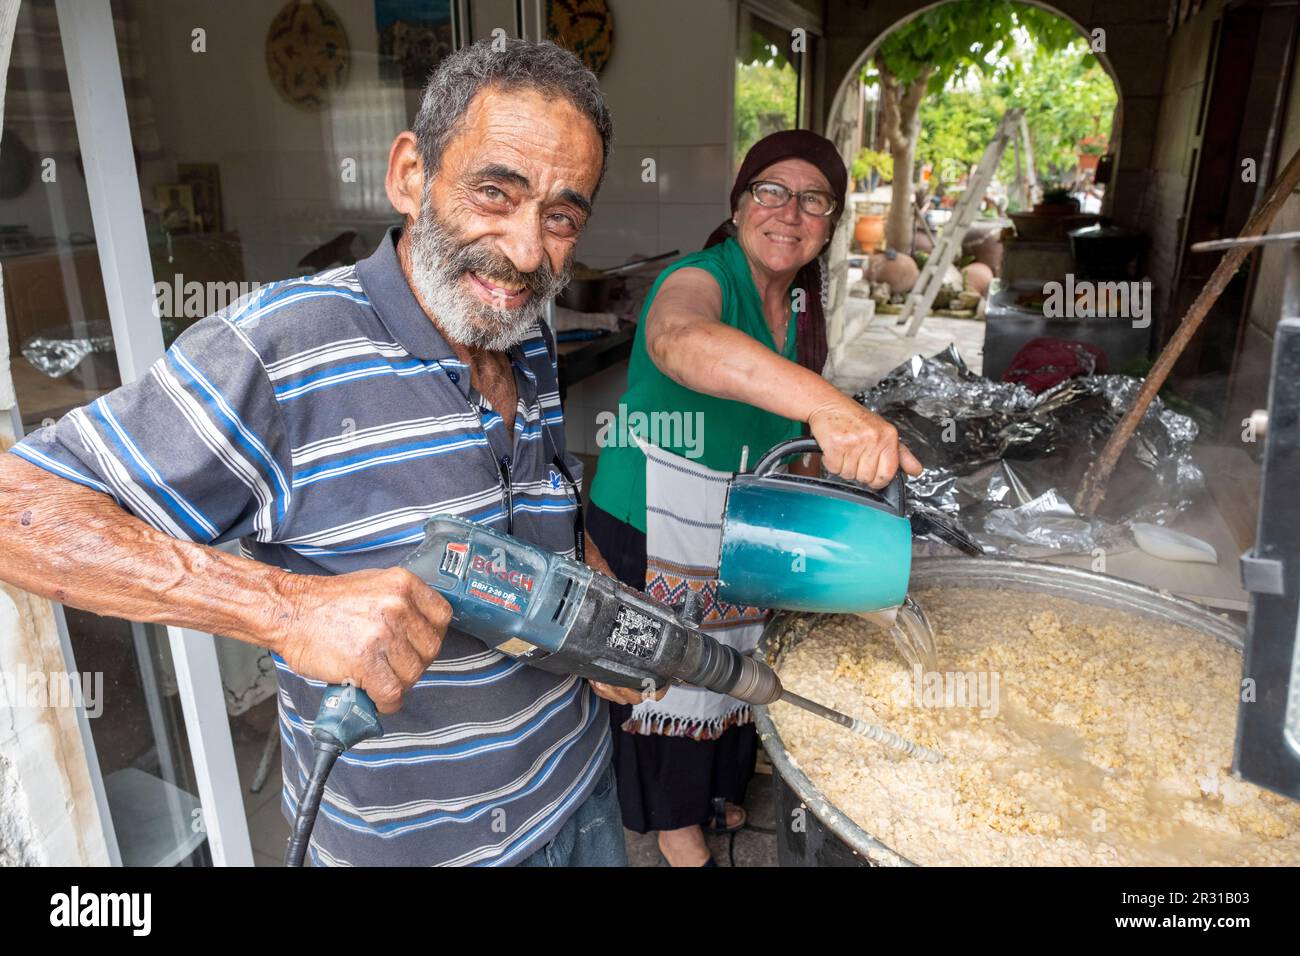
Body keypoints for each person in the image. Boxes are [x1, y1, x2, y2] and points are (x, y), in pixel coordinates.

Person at [0, 39, 646, 867]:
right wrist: (287, 609)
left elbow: (544, 512)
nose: (526, 252)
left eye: (560, 216)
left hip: (581, 792)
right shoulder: (280, 347)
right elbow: (22, 508)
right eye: (495, 191)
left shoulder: (520, 331)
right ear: (410, 173)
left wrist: (599, 614)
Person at [586, 130, 923, 867]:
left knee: (734, 664)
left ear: (830, 224)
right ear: (739, 207)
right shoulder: (700, 277)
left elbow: (776, 423)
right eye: (770, 191)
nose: (789, 211)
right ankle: (678, 834)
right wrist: (833, 408)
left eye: (813, 200)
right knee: (668, 678)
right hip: (651, 523)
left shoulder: (800, 307)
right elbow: (680, 338)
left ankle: (713, 793)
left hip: (739, 521)